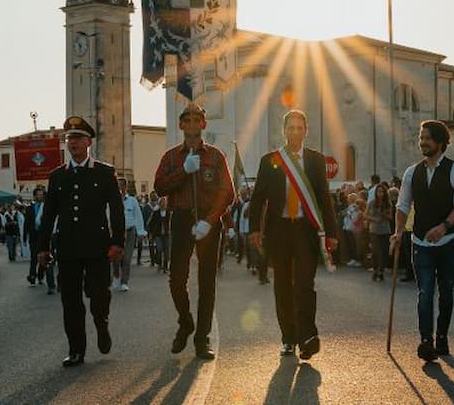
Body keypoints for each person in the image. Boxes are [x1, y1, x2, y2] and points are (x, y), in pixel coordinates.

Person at [248, 109, 337, 361]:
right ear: (284, 130)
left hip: (305, 231)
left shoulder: (316, 160)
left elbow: (324, 199)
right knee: (283, 286)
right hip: (279, 231)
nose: (295, 132)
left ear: (306, 131)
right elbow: (258, 199)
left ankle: (307, 336)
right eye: (291, 128)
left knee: (305, 286)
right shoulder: (271, 160)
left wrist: (331, 232)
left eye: (300, 128)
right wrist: (255, 228)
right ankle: (288, 338)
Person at [36, 116, 124, 368]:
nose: (72, 143)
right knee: (70, 302)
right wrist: (42, 247)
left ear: (88, 142)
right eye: (69, 139)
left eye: (77, 138)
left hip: (97, 246)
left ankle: (102, 323)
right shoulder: (57, 176)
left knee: (98, 295)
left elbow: (116, 211)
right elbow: (49, 214)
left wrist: (118, 242)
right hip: (68, 248)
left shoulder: (104, 173)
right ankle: (76, 350)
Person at [153, 103, 236, 361]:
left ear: (203, 124)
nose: (191, 124)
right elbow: (159, 187)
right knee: (176, 279)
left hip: (208, 223)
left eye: (197, 119)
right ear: (180, 125)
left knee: (206, 283)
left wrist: (210, 220)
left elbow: (228, 193)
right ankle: (185, 321)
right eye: (187, 120)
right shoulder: (171, 157)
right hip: (180, 220)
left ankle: (202, 339)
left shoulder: (215, 156)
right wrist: (182, 171)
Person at [390, 120, 454, 363]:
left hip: (448, 240)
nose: (422, 142)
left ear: (441, 142)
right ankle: (426, 341)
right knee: (425, 292)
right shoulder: (411, 172)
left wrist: (444, 226)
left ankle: (442, 336)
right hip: (420, 242)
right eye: (421, 138)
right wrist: (397, 232)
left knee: (445, 291)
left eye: (427, 138)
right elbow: (402, 205)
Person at [113, 183, 146, 291]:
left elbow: (138, 216)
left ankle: (124, 282)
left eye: (122, 186)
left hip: (130, 232)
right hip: (116, 233)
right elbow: (107, 214)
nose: (120, 189)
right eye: (118, 187)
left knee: (127, 258)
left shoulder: (132, 201)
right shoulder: (112, 200)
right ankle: (116, 278)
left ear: (125, 188)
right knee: (116, 258)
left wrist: (140, 232)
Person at [25, 188, 48, 285]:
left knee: (43, 257)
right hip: (33, 235)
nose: (40, 196)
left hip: (43, 236)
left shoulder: (46, 207)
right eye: (38, 194)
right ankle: (32, 276)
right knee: (33, 257)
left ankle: (40, 275)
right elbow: (26, 222)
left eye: (41, 194)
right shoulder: (29, 208)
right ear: (34, 196)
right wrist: (24, 235)